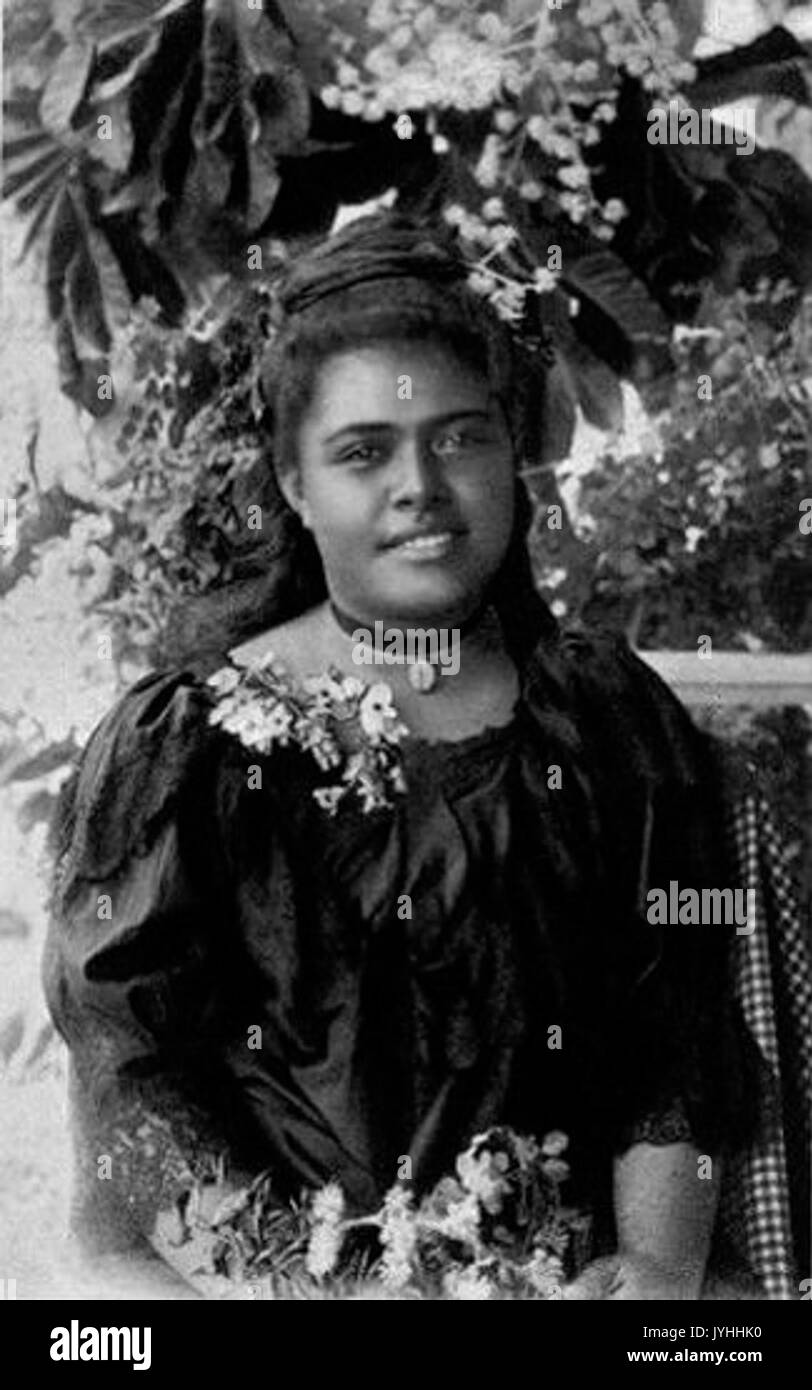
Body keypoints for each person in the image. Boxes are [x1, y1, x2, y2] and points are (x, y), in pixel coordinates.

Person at [43, 214, 762, 1300]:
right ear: (292, 485)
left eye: (460, 438)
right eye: (363, 451)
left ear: (508, 460)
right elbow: (139, 1089)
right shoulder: (187, 749)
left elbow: (672, 1042)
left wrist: (656, 1262)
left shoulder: (609, 722)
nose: (419, 484)